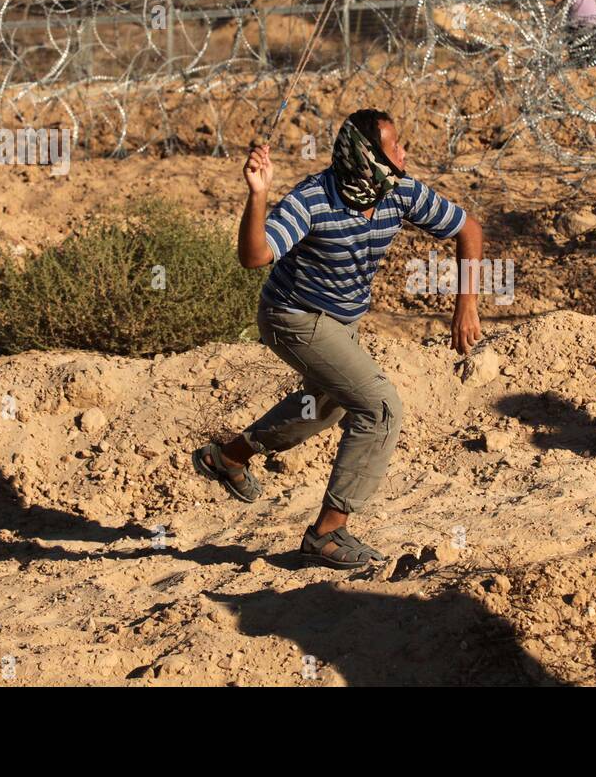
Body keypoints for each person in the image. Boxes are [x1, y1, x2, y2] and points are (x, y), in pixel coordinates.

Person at [193, 109, 484, 570]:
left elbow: (469, 229)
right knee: (380, 406)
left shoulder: (399, 191)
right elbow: (254, 257)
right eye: (394, 147)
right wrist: (258, 194)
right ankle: (327, 533)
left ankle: (227, 457)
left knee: (325, 406)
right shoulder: (313, 199)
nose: (404, 153)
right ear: (367, 158)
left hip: (340, 323)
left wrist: (465, 304)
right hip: (292, 316)